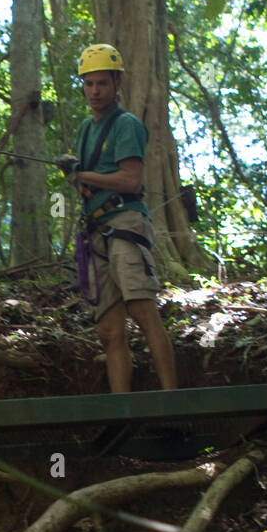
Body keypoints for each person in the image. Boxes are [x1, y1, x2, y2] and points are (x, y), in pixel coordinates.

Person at [57, 43, 176, 393]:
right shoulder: (84, 129)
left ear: (117, 83)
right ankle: (120, 409)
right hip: (95, 232)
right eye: (89, 84)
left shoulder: (126, 125)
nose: (94, 91)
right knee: (109, 330)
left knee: (142, 310)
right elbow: (87, 185)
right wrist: (77, 177)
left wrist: (81, 175)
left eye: (102, 84)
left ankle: (174, 398)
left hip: (125, 225)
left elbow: (131, 179)